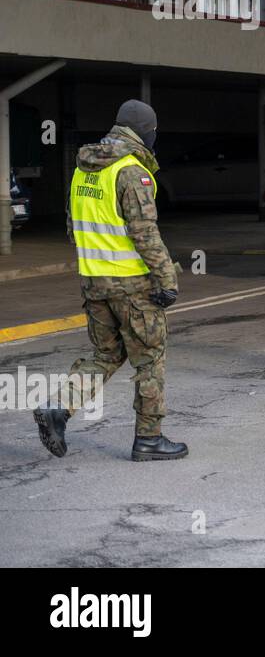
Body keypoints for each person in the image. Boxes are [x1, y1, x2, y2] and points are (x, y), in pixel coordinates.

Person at [34, 99, 187, 462]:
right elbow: (145, 232)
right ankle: (149, 438)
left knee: (106, 354)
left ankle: (59, 407)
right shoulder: (132, 171)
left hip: (93, 281)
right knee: (150, 360)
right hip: (132, 286)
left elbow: (73, 229)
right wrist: (167, 279)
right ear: (144, 131)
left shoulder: (83, 169)